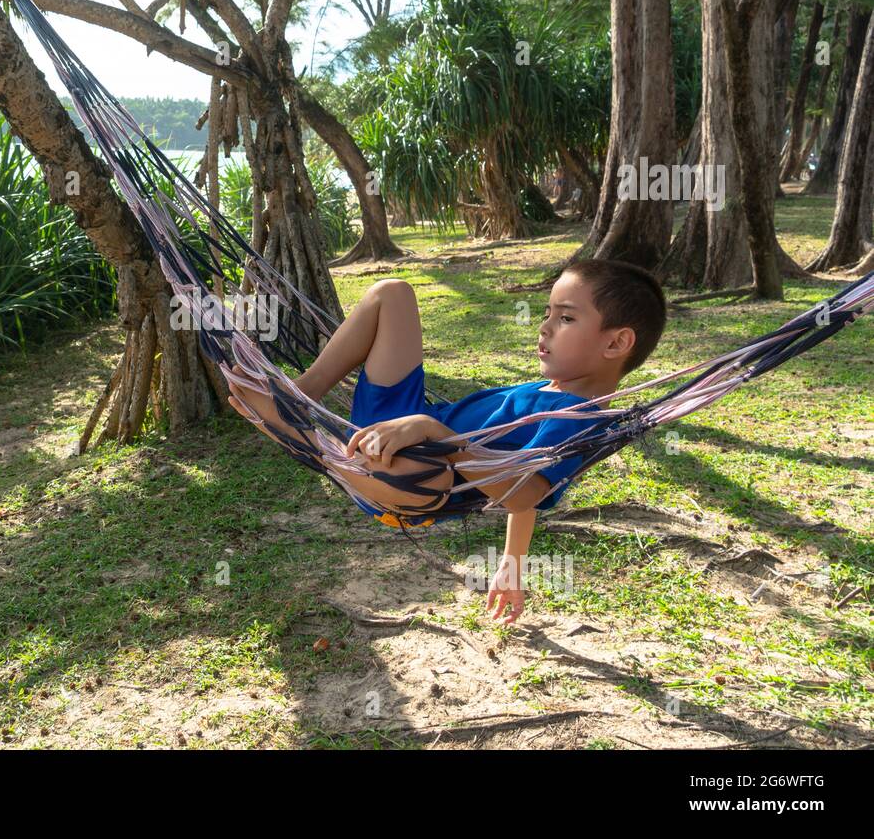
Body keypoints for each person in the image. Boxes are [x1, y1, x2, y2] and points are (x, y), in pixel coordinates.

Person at [226, 258, 668, 624]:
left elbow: (527, 492)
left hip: (410, 475)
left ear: (617, 343)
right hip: (400, 424)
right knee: (392, 293)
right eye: (547, 313)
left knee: (431, 474)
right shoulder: (553, 391)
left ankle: (313, 445)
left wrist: (441, 436)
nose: (545, 328)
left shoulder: (579, 417)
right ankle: (303, 396)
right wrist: (512, 567)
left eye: (566, 318)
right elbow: (527, 496)